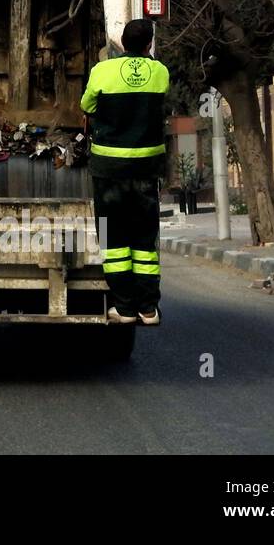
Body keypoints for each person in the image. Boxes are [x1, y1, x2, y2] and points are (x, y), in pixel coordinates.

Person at [80, 17, 170, 327]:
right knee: (144, 239)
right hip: (146, 169)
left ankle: (125, 308)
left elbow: (87, 104)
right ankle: (149, 309)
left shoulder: (102, 70)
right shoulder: (160, 72)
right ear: (149, 45)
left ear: (121, 40)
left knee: (115, 239)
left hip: (109, 168)